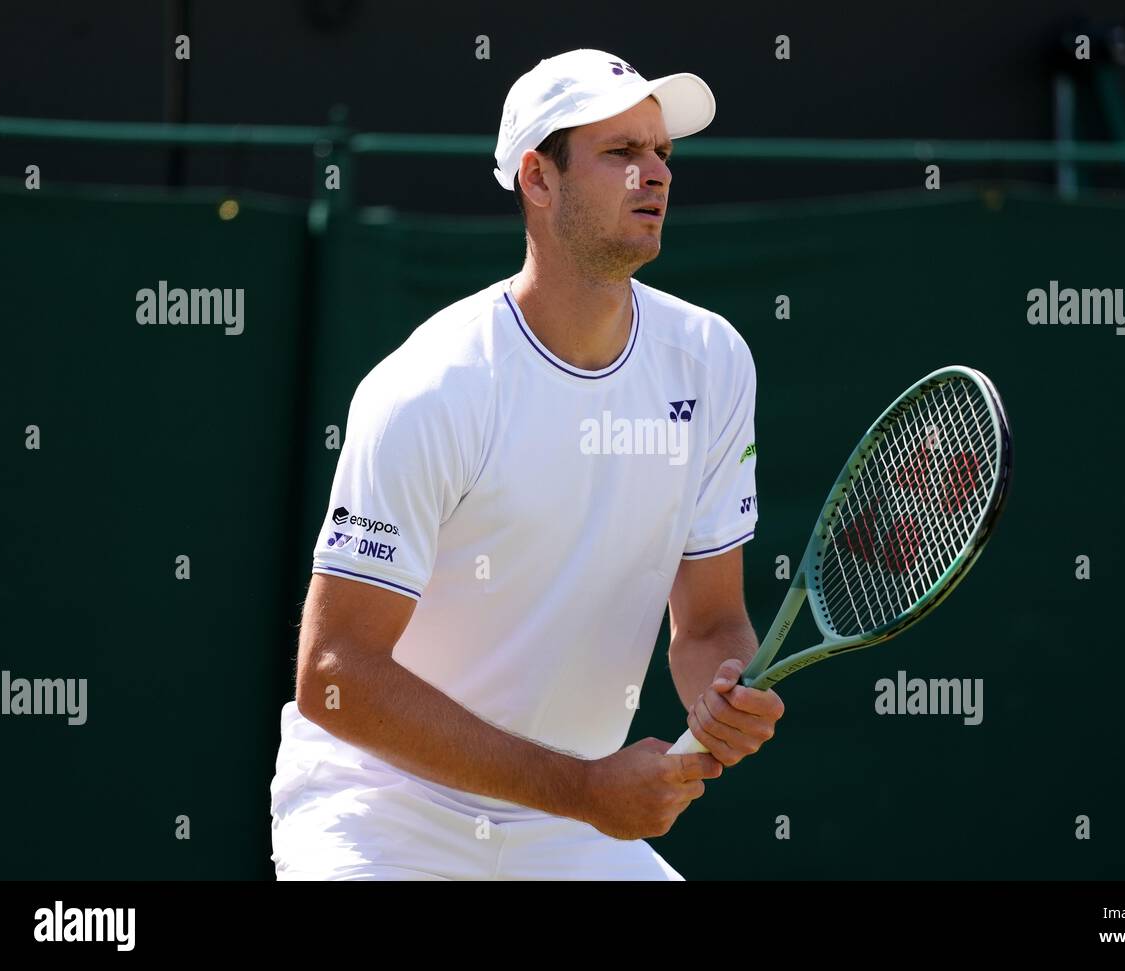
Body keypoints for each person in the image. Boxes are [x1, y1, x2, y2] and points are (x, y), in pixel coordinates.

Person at [269, 48, 783, 881]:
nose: (654, 174)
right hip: (377, 814)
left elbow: (710, 621)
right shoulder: (432, 388)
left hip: (568, 826)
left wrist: (721, 690)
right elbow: (335, 676)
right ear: (537, 180)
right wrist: (584, 787)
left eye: (662, 153)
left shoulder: (713, 362)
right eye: (620, 153)